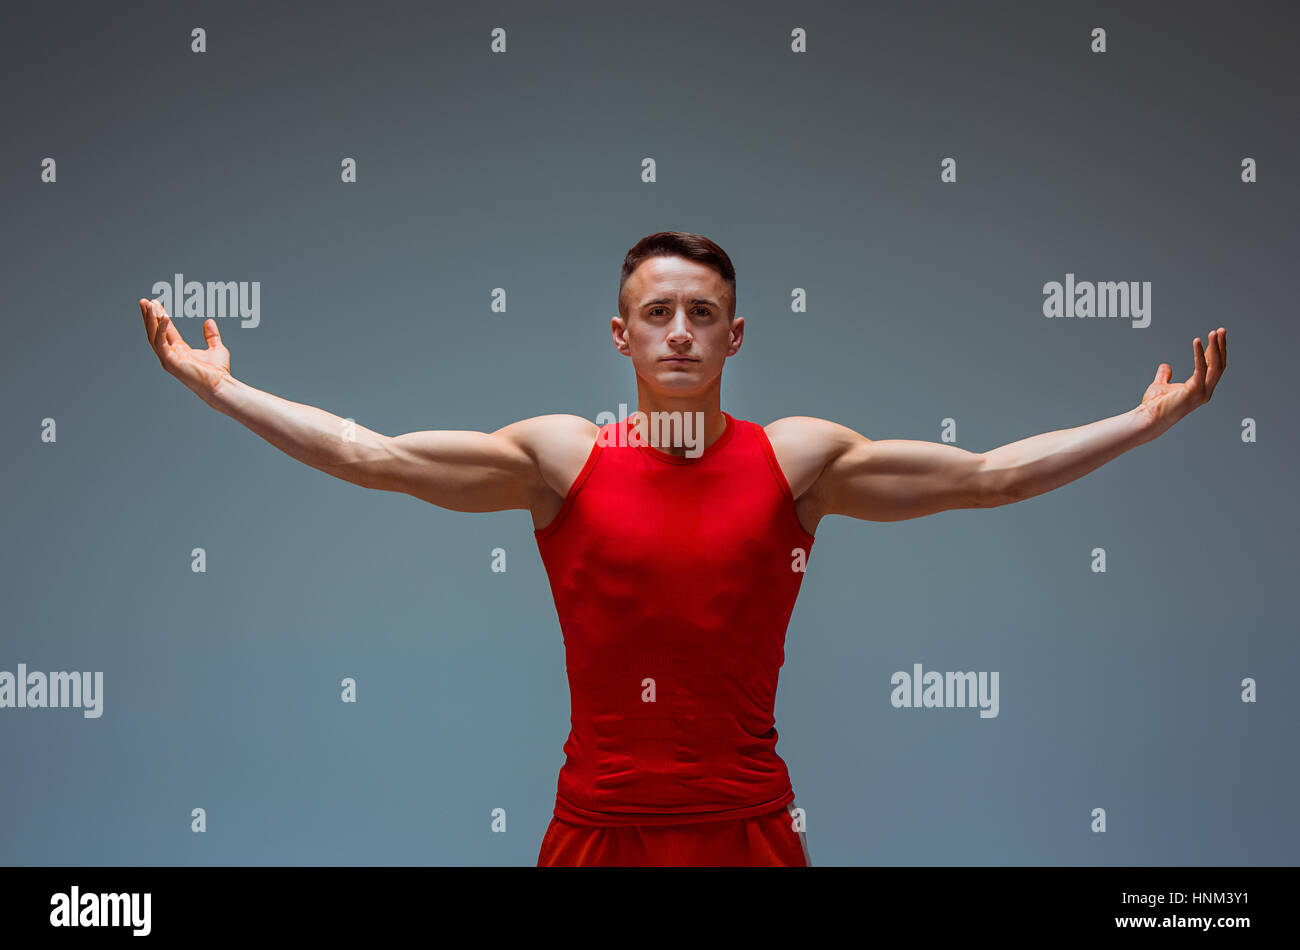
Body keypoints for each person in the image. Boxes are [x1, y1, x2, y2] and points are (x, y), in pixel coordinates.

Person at [138, 231, 1227, 866]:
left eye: (701, 313)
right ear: (619, 334)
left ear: (734, 334)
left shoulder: (796, 461)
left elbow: (989, 474)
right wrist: (224, 388)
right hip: (596, 827)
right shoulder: (561, 457)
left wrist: (1144, 422)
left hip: (746, 827)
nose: (677, 332)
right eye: (655, 312)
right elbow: (369, 454)